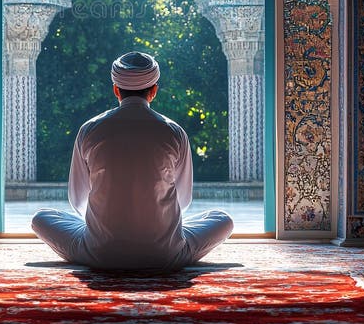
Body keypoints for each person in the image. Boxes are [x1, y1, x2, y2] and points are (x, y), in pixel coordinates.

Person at [32, 51, 233, 270]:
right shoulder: (174, 132)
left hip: (99, 253)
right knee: (222, 219)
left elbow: (78, 200)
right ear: (154, 91)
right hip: (166, 254)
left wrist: (108, 224)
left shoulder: (90, 129)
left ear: (116, 89)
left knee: (41, 218)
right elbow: (183, 201)